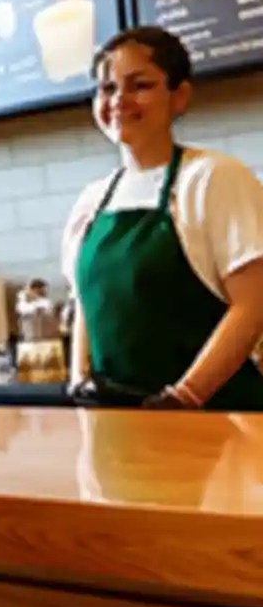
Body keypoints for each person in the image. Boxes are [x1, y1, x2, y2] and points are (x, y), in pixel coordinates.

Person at [62, 26, 263, 411]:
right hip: (119, 430)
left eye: (139, 85)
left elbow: (253, 305)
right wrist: (78, 383)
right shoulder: (91, 202)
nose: (119, 100)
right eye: (107, 89)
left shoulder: (212, 178)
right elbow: (86, 305)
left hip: (216, 423)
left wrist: (185, 397)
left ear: (180, 96)